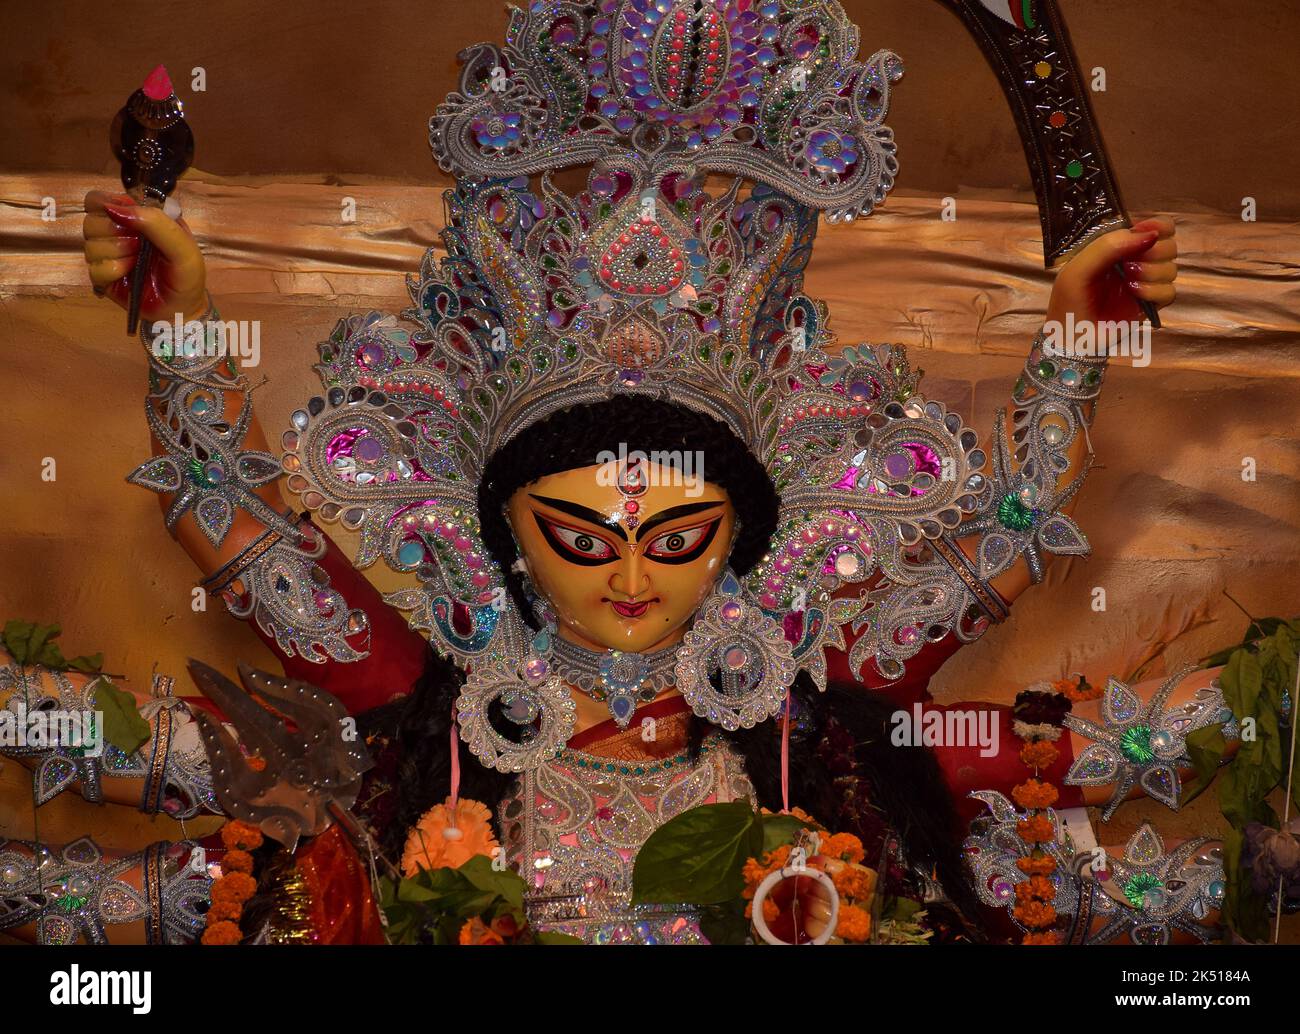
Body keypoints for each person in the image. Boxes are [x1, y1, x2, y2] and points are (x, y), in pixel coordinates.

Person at [7, 0, 1232, 946]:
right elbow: (228, 520)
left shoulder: (813, 704)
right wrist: (181, 323)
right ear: (501, 538)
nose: (634, 575)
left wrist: (1076, 336)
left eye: (681, 535)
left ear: (749, 539)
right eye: (585, 539)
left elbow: (1008, 533)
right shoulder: (423, 706)